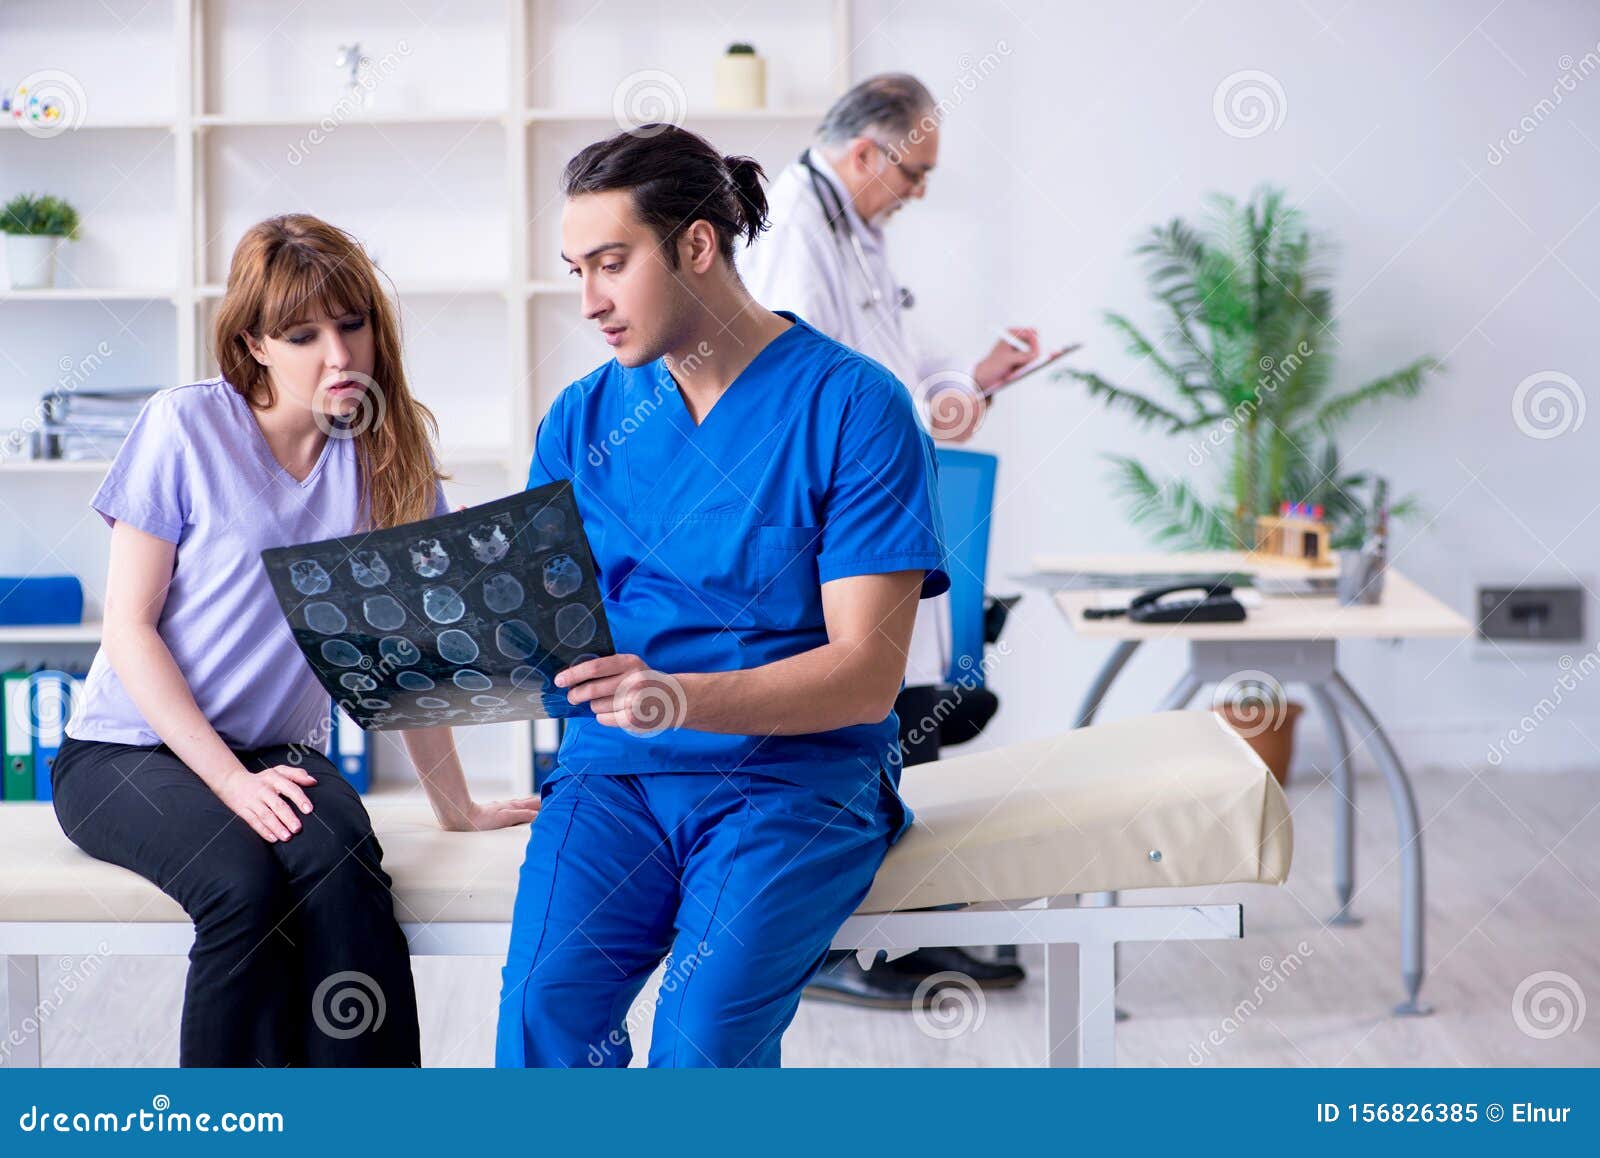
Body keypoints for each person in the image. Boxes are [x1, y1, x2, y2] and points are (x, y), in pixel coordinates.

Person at [494, 124, 948, 1068]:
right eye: (576, 269)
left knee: (700, 1045)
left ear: (698, 246)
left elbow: (867, 677)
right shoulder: (582, 420)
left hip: (791, 781)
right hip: (613, 777)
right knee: (546, 1012)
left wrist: (679, 697)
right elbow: (545, 631)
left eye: (611, 265)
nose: (590, 302)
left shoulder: (854, 408)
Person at [50, 214, 539, 1067]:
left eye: (352, 325)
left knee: (345, 873)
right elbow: (128, 627)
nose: (339, 355)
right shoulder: (185, 428)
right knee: (240, 886)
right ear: (254, 344)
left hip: (276, 750)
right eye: (303, 334)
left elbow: (409, 652)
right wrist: (231, 783)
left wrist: (454, 808)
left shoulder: (389, 456)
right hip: (124, 752)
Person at [741, 74, 1047, 1004]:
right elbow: (814, 391)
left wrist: (969, 378)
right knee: (850, 713)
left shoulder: (857, 231)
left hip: (874, 505)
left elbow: (889, 373)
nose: (917, 192)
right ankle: (828, 945)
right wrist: (928, 406)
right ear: (865, 152)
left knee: (882, 722)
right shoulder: (796, 226)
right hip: (834, 521)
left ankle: (891, 924)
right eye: (913, 172)